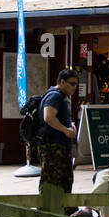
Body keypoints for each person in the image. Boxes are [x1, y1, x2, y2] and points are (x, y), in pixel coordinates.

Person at [39, 68, 80, 209]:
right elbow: (48, 117)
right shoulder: (55, 95)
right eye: (72, 84)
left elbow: (60, 117)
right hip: (53, 144)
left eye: (76, 84)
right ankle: (48, 208)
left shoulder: (62, 96)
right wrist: (66, 130)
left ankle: (65, 207)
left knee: (65, 178)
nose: (74, 87)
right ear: (62, 82)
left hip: (60, 143)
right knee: (52, 179)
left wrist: (71, 125)